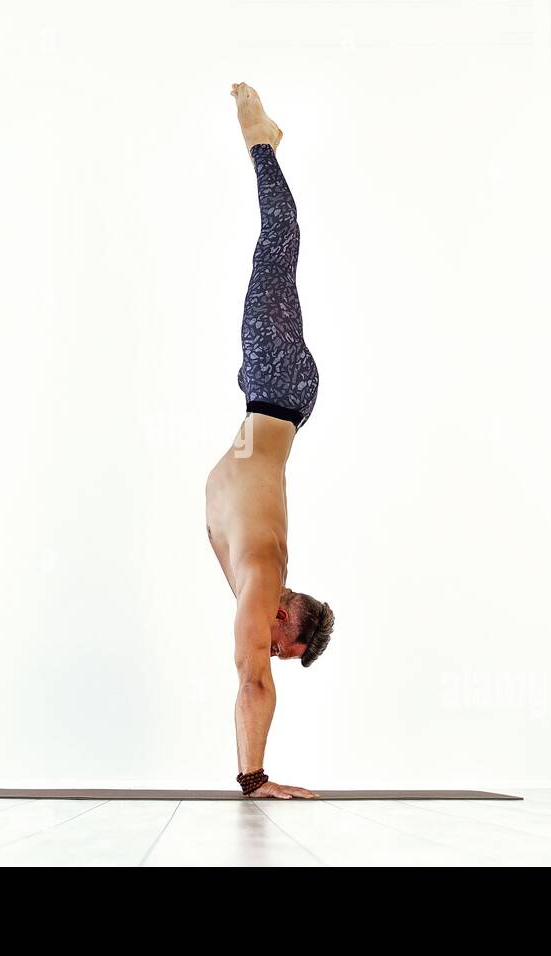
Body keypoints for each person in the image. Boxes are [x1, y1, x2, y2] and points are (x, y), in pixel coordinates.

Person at [204, 83, 335, 800]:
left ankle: (264, 143)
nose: (272, 653)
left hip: (274, 397)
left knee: (276, 257)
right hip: (277, 382)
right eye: (285, 647)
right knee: (276, 246)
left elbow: (254, 670)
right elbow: (252, 679)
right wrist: (254, 780)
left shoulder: (255, 573)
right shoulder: (263, 577)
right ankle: (262, 140)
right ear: (289, 618)